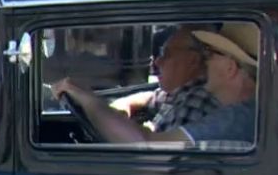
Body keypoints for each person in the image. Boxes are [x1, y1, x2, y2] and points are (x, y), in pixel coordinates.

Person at [52, 22, 259, 147]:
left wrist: (90, 101)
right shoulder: (236, 110)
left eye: (211, 53)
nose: (206, 61)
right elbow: (151, 99)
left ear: (230, 67)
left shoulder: (235, 119)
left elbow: (147, 149)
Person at [109, 25, 219, 132]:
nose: (158, 61)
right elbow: (150, 97)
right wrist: (124, 105)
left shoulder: (195, 103)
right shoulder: (179, 92)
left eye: (166, 54)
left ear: (193, 60)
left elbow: (165, 149)